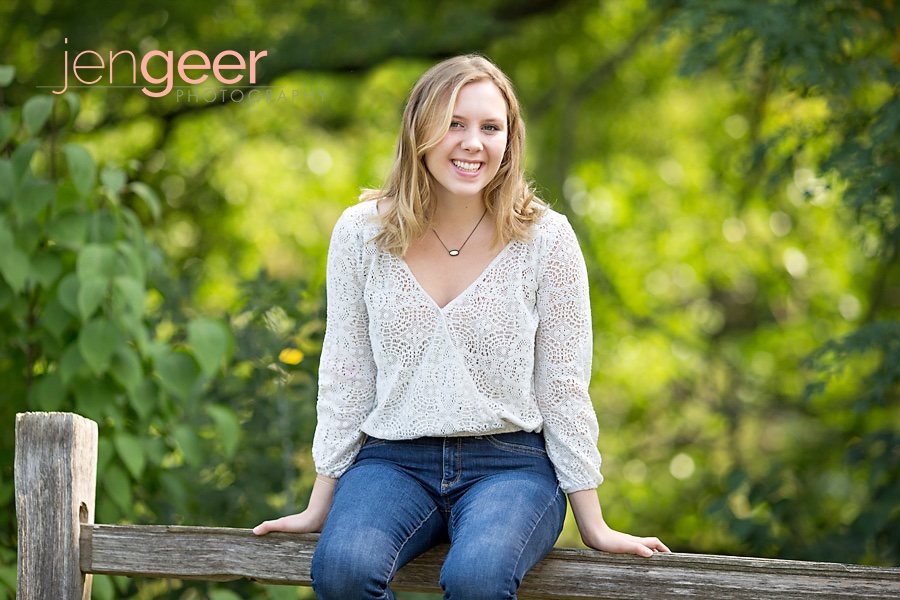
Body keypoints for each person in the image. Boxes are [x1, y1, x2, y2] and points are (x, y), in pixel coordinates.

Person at [254, 54, 670, 599]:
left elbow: (564, 386)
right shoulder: (361, 234)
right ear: (420, 131)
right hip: (392, 459)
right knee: (344, 569)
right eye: (455, 123)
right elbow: (346, 374)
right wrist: (320, 503)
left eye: (490, 127)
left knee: (476, 578)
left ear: (510, 140)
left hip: (512, 466)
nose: (473, 142)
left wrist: (594, 523)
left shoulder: (546, 239)